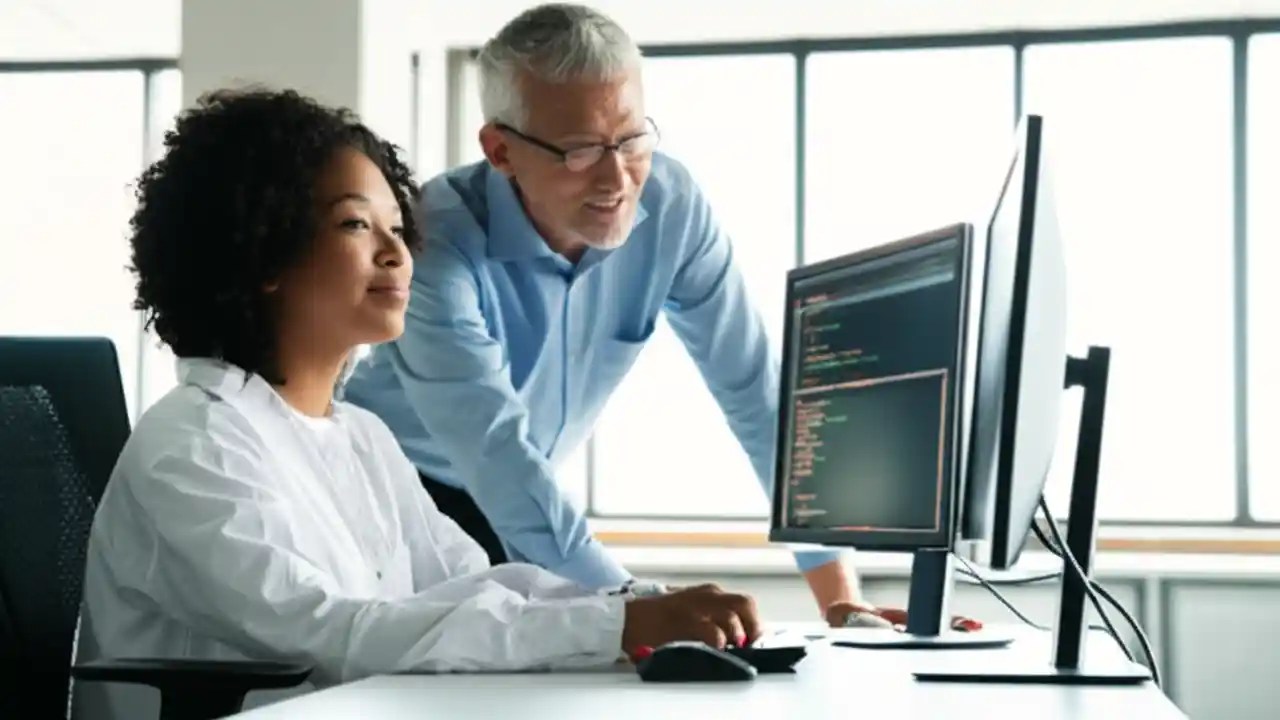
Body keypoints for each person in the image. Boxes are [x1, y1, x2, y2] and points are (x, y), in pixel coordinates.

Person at [72, 86, 766, 720]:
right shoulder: (195, 444)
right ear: (262, 254)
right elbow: (333, 633)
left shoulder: (359, 435)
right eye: (355, 226)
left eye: (398, 229)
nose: (398, 255)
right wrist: (613, 630)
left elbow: (472, 584)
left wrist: (638, 606)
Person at [344, 2, 938, 626]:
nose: (616, 179)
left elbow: (755, 392)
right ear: (500, 150)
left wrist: (838, 594)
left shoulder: (671, 205)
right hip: (398, 492)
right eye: (578, 151)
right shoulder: (435, 237)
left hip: (521, 495)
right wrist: (642, 608)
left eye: (630, 140)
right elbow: (497, 452)